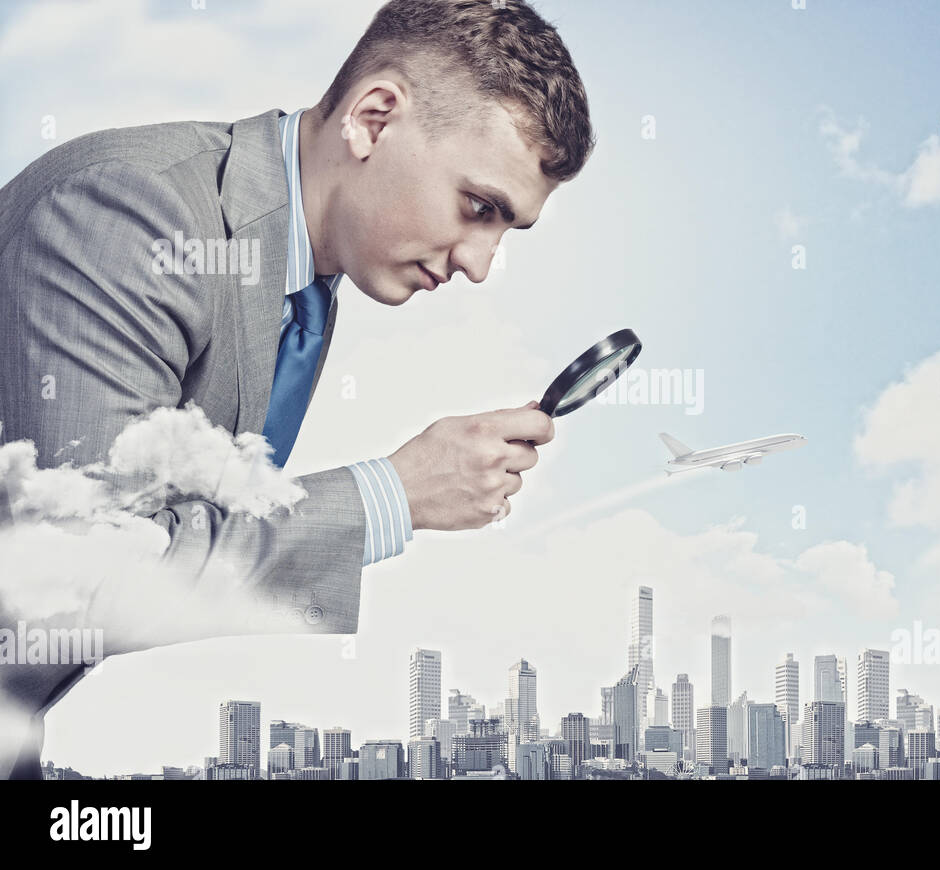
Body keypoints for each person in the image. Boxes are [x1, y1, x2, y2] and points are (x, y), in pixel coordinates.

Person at [0, 0, 594, 778]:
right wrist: (395, 495)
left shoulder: (299, 292)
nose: (479, 265)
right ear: (374, 120)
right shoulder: (135, 213)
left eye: (505, 231)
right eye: (478, 208)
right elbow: (87, 575)